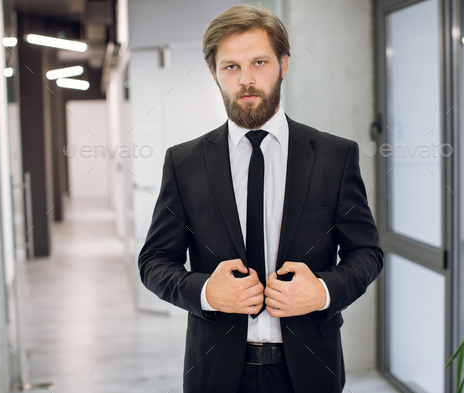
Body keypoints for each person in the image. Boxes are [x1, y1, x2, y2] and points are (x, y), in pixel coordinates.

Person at [138, 4, 384, 393]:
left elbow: (367, 253)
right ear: (214, 73)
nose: (246, 80)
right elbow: (154, 261)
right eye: (231, 67)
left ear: (284, 64)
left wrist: (321, 291)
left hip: (309, 371)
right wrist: (204, 291)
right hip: (215, 372)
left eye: (259, 62)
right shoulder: (184, 163)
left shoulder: (334, 156)